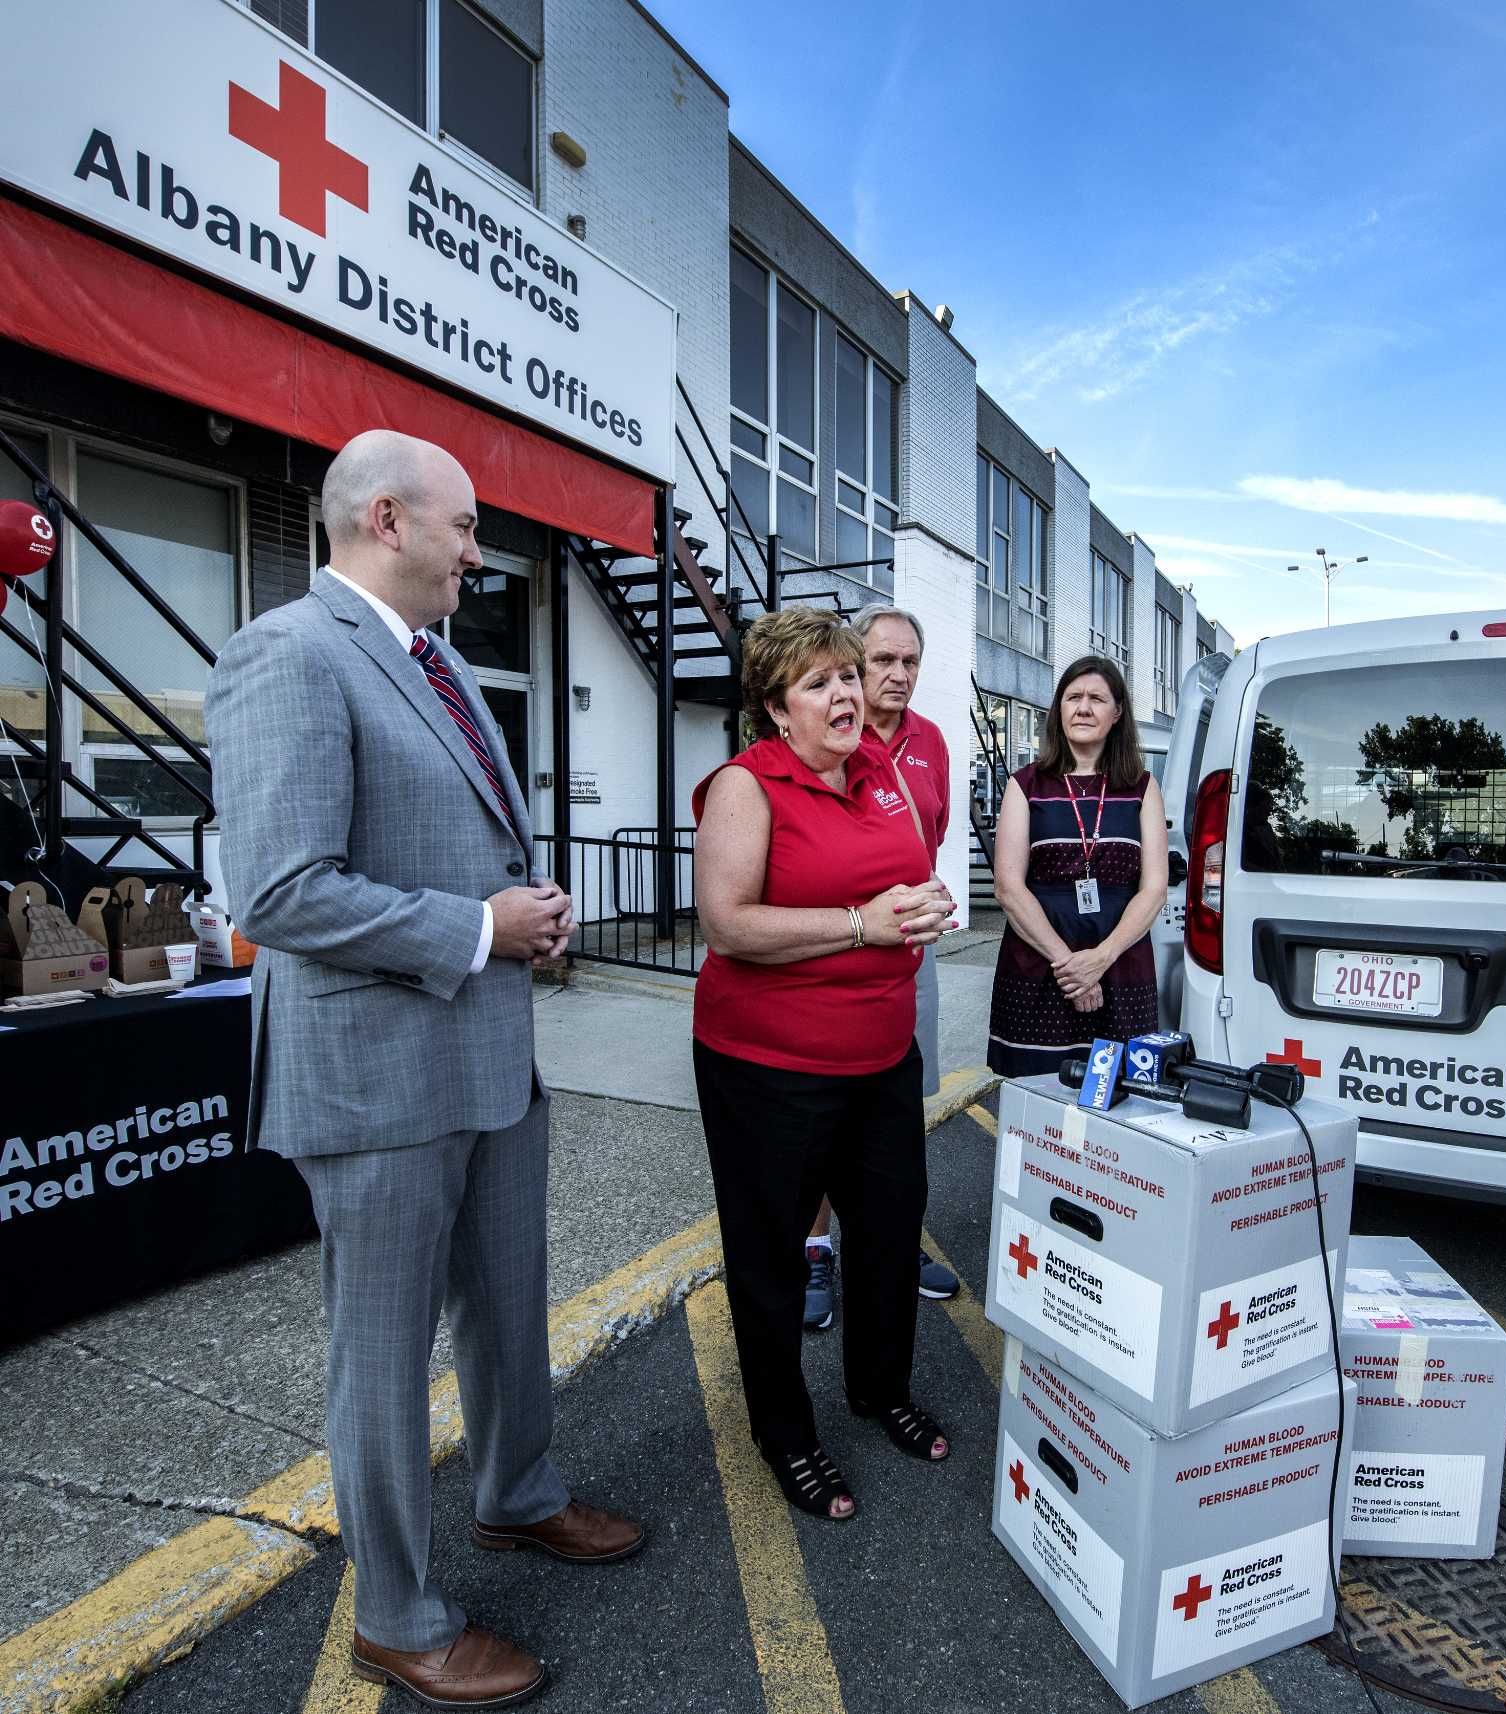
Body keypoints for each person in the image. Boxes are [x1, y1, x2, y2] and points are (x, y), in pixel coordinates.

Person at [207, 429, 640, 1711]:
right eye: (462, 525)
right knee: (383, 1357)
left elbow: (455, 851)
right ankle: (395, 1615)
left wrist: (526, 918)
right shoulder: (285, 653)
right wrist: (474, 928)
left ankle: (517, 1496)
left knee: (510, 1306)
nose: (477, 547)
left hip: (486, 1055)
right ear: (386, 519)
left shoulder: (437, 661)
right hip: (376, 1077)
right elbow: (283, 890)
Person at [693, 605, 958, 1522]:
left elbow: (902, 878)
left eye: (847, 675)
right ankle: (785, 1432)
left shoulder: (882, 770)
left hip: (882, 1055)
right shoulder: (745, 786)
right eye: (820, 682)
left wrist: (924, 903)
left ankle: (878, 1388)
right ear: (777, 708)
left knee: (889, 1233)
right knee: (769, 1256)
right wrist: (861, 924)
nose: (845, 692)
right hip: (769, 1069)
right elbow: (726, 923)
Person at [800, 603, 959, 1332]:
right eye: (882, 661)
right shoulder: (829, 735)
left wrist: (931, 894)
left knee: (900, 1108)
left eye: (910, 663)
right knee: (828, 1116)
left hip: (910, 956)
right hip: (835, 956)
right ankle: (814, 1247)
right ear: (853, 665)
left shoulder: (931, 742)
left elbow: (930, 840)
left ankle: (892, 1243)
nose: (897, 675)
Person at [987, 655, 1168, 1076]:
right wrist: (1070, 966)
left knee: (1123, 1099)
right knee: (1037, 1104)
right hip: (1041, 965)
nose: (1083, 707)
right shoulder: (1025, 783)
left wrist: (1100, 960)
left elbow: (1154, 888)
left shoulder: (1141, 786)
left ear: (1117, 712)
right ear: (1059, 709)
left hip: (1120, 965)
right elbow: (1008, 887)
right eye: (1073, 697)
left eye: (1096, 699)